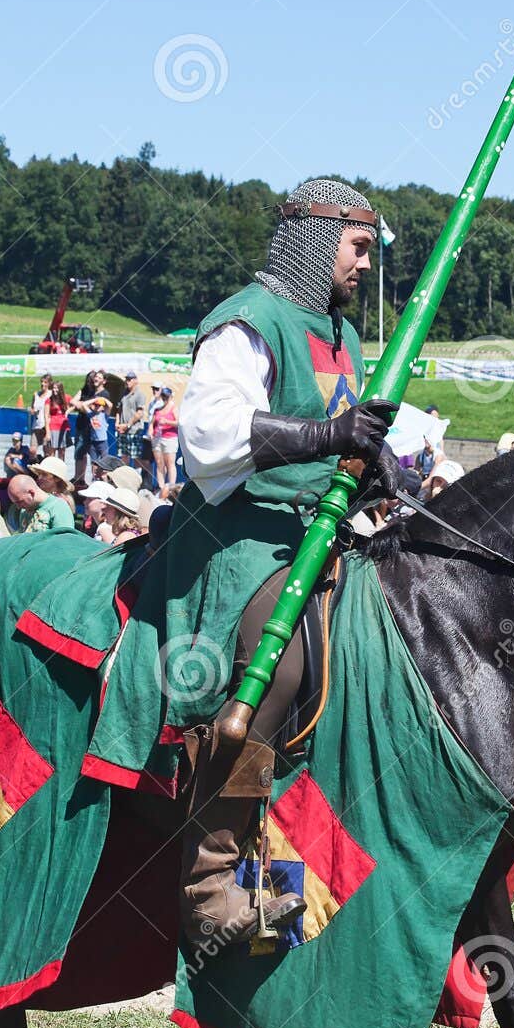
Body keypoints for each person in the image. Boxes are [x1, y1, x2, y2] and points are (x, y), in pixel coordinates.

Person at [174, 176, 397, 950]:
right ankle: (208, 878)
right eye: (358, 246)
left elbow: (342, 435)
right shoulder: (248, 321)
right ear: (312, 237)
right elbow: (209, 442)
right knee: (284, 666)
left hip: (317, 529)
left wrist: (374, 463)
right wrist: (333, 438)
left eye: (370, 250)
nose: (366, 265)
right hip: (236, 531)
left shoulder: (344, 336)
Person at [6, 474, 75, 534]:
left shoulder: (59, 507)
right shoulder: (24, 511)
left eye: (20, 502)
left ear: (31, 493)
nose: (18, 507)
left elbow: (64, 542)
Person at [149, 384, 180, 487]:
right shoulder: (157, 409)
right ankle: (161, 487)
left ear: (170, 396)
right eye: (163, 395)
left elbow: (178, 423)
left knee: (170, 463)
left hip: (170, 438)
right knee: (159, 463)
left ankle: (171, 487)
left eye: (166, 396)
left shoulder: (174, 408)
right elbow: (152, 423)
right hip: (157, 438)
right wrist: (150, 432)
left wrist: (167, 422)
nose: (164, 398)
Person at [116, 372, 146, 462]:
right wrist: (117, 423)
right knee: (123, 456)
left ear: (135, 381)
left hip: (134, 430)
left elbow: (140, 413)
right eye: (127, 379)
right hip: (122, 430)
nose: (127, 381)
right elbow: (119, 409)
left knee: (136, 457)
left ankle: (137, 476)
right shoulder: (123, 394)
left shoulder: (140, 394)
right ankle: (125, 476)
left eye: (129, 379)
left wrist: (127, 425)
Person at [46, 381, 72, 451]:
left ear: (60, 389)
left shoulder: (67, 398)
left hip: (64, 427)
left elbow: (75, 405)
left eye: (56, 388)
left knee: (62, 451)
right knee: (52, 451)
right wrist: (47, 432)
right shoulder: (49, 400)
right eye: (53, 388)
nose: (54, 390)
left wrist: (68, 411)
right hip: (53, 427)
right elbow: (46, 416)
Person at [30, 378, 52, 452]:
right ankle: (35, 463)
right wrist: (32, 411)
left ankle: (45, 463)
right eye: (42, 382)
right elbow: (32, 407)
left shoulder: (50, 394)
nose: (43, 384)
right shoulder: (36, 394)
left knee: (46, 450)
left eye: (45, 382)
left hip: (46, 426)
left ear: (49, 384)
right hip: (36, 425)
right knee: (32, 450)